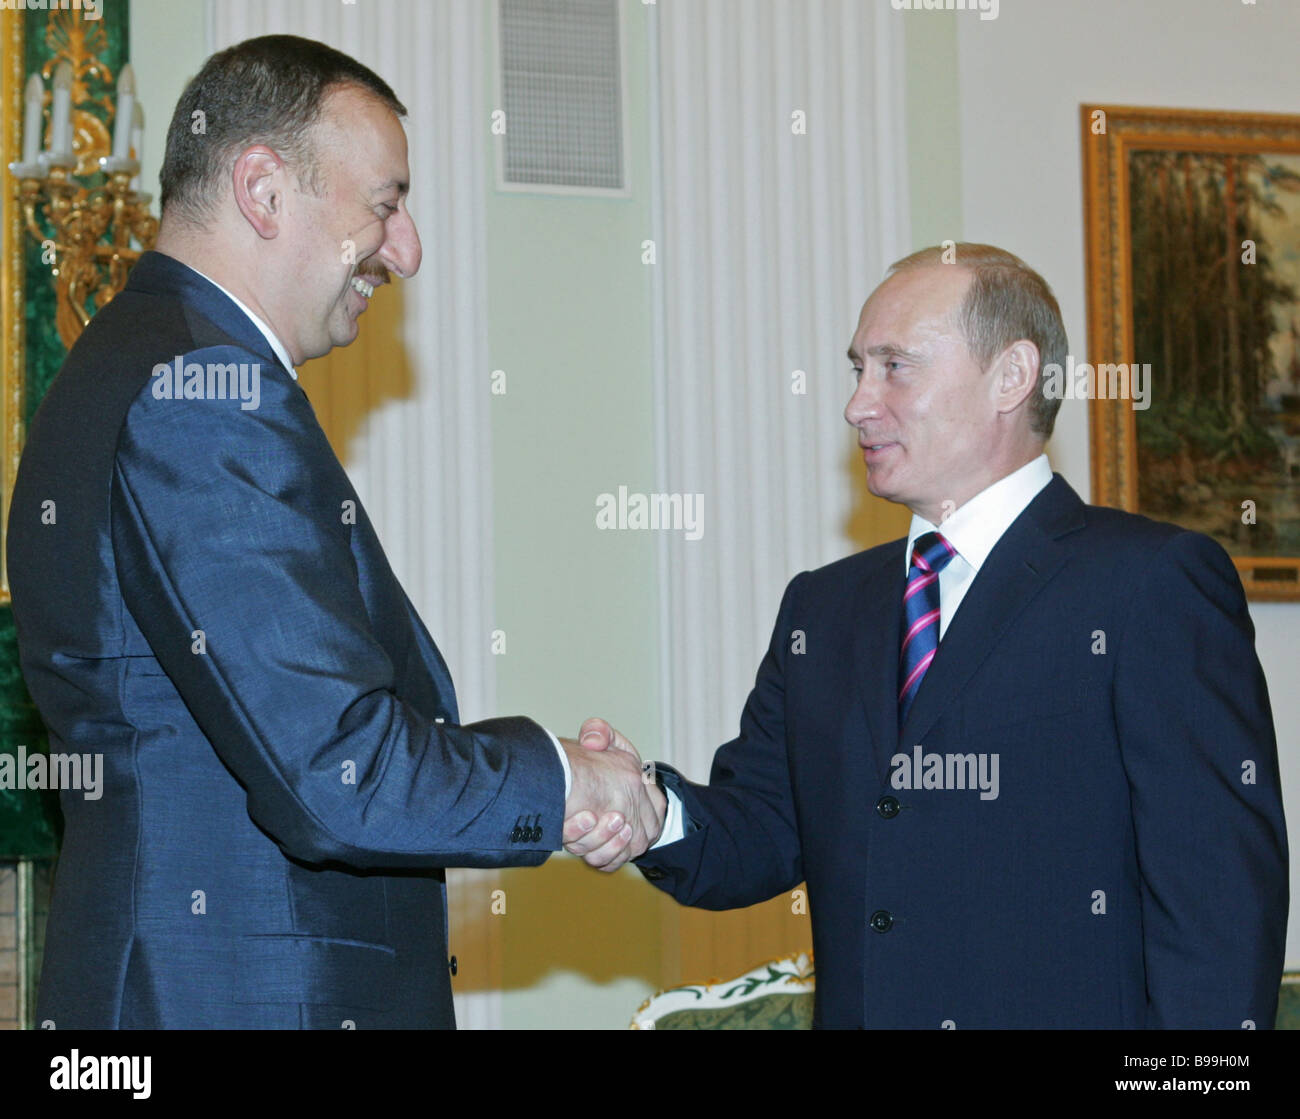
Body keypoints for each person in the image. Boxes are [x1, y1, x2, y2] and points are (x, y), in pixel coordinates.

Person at [7, 34, 663, 1029]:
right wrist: (569, 777)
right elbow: (335, 776)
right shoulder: (204, 399)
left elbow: (277, 735)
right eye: (385, 204)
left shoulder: (141, 361)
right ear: (264, 190)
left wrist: (551, 762)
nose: (406, 251)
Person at [565, 243, 1290, 1029]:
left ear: (1012, 375)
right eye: (856, 370)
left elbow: (1219, 901)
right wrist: (648, 809)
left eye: (895, 367)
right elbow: (766, 827)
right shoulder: (822, 607)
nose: (857, 404)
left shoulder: (1149, 584)